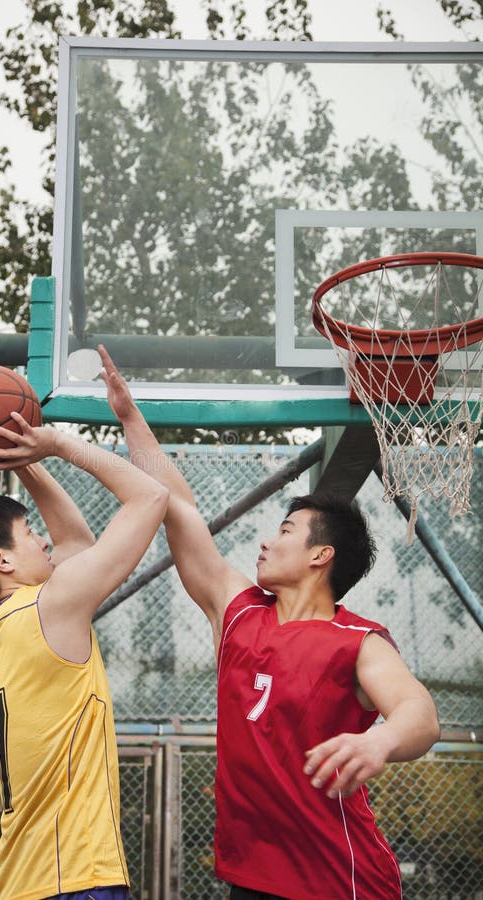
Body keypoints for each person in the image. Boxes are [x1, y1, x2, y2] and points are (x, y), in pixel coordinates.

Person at [97, 344, 440, 900]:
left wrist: (380, 744)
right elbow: (176, 505)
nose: (265, 539)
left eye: (284, 530)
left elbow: (419, 714)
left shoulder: (357, 642)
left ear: (319, 556)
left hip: (341, 882)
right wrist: (131, 419)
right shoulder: (239, 613)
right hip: (250, 877)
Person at [0, 414, 169, 900]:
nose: (43, 539)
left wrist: (26, 462)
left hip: (20, 880)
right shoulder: (47, 609)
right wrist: (58, 445)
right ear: (3, 560)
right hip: (72, 879)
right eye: (28, 533)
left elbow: (76, 546)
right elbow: (150, 497)